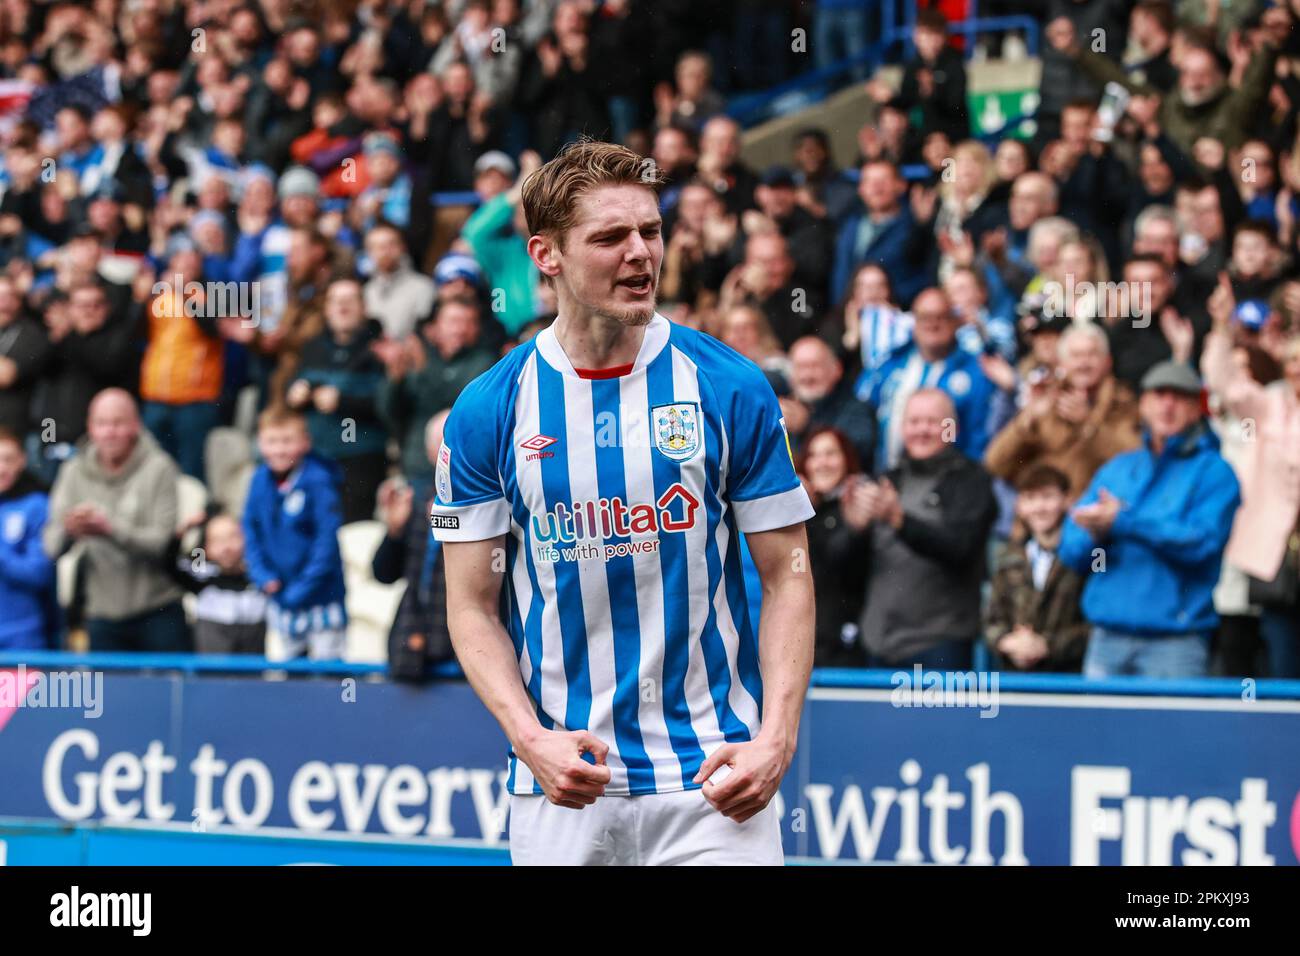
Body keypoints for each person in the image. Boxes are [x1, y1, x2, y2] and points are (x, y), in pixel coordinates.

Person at [431, 140, 815, 866]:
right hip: (564, 782)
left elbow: (788, 572)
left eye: (651, 231)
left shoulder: (730, 386)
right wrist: (529, 737)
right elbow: (470, 605)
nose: (641, 253)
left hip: (714, 780)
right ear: (546, 255)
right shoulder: (488, 409)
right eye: (610, 237)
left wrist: (776, 737)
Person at [1060, 361, 1241, 679]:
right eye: (1159, 394)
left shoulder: (1215, 473)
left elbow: (1201, 544)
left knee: (1176, 730)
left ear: (1197, 409)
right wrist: (1095, 533)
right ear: (1143, 404)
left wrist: (1124, 521)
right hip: (1106, 638)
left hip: (1175, 643)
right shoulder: (1118, 469)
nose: (1167, 404)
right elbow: (1071, 551)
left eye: (1180, 396)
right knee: (1100, 731)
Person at [843, 388, 997, 670]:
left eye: (931, 422)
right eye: (914, 422)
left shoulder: (971, 480)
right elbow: (852, 569)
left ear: (953, 428)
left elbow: (960, 548)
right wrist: (854, 530)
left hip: (939, 644)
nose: (921, 430)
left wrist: (899, 519)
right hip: (876, 642)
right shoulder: (888, 479)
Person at [1201, 276, 1300, 678]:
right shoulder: (1272, 403)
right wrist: (1222, 328)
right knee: (1282, 655)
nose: (1298, 368)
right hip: (1280, 554)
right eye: (1293, 361)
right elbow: (1226, 382)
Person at [43, 389, 189, 652]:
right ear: (90, 427)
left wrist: (109, 529)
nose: (109, 432)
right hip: (102, 615)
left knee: (170, 692)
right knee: (109, 694)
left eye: (118, 423)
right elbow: (51, 545)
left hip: (159, 609)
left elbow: (162, 544)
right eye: (101, 423)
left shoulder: (160, 467)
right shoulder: (73, 471)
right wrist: (69, 530)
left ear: (135, 425)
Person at [985, 322, 1141, 497]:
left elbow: (1135, 462)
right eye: (1076, 355)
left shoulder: (1124, 404)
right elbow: (995, 464)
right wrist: (1027, 419)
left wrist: (1088, 424)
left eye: (1092, 354)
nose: (1083, 363)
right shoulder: (1046, 400)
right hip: (1048, 513)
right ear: (1062, 363)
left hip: (1099, 511)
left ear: (1107, 362)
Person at [242, 408, 348, 662]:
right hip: (280, 597)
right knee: (287, 672)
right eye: (271, 441)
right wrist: (261, 574)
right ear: (260, 443)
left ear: (305, 443)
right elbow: (250, 528)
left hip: (322, 598)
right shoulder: (258, 479)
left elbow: (326, 542)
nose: (279, 450)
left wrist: (302, 588)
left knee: (325, 674)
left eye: (287, 441)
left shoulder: (319, 480)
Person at [859, 287, 999, 468]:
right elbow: (863, 407)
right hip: (888, 474)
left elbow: (979, 436)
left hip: (948, 481)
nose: (932, 325)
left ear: (956, 322)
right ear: (913, 322)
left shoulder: (976, 373)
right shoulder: (889, 364)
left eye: (941, 317)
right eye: (924, 317)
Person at [285, 278, 388, 524]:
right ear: (326, 309)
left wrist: (343, 401)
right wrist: (296, 392)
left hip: (362, 458)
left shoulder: (381, 348)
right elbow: (295, 385)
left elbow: (389, 405)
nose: (342, 307)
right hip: (316, 457)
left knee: (353, 533)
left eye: (349, 301)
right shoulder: (313, 347)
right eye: (335, 301)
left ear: (364, 307)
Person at [372, 411, 455, 682]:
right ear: (431, 453)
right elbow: (383, 575)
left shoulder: (501, 502)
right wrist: (395, 531)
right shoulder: (415, 503)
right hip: (415, 647)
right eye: (443, 444)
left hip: (472, 649)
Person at [985, 464, 1089, 673]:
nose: (1039, 507)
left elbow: (1095, 626)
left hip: (1069, 679)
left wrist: (1046, 646)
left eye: (1048, 497)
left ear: (1067, 501)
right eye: (1030, 498)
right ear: (1019, 505)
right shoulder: (1007, 558)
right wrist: (1008, 642)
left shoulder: (1089, 556)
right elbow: (991, 620)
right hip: (1015, 678)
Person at [796, 425, 868, 668]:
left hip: (849, 642)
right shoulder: (798, 515)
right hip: (805, 640)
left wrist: (855, 529)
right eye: (814, 455)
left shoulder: (864, 506)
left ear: (847, 459)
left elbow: (844, 566)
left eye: (831, 454)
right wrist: (801, 513)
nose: (822, 463)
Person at [164, 511, 267, 656]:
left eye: (233, 537)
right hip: (213, 673)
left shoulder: (262, 578)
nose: (227, 547)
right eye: (217, 540)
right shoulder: (202, 578)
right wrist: (186, 529)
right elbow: (170, 563)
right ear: (206, 547)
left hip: (252, 672)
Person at [0, 428, 55, 650]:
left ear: (22, 461)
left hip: (22, 636)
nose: (1, 468)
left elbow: (40, 573)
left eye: (8, 459)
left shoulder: (37, 506)